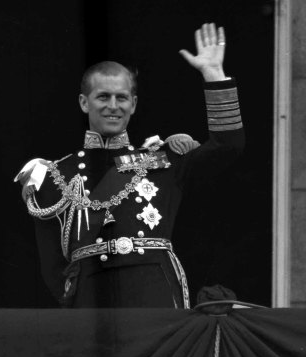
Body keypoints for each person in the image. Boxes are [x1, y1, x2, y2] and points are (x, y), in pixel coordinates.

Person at [15, 23, 244, 308]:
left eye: (121, 97)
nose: (113, 105)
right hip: (90, 299)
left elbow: (228, 146)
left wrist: (214, 75)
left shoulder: (163, 160)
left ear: (133, 104)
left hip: (152, 294)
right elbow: (51, 264)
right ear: (84, 103)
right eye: (103, 97)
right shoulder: (54, 175)